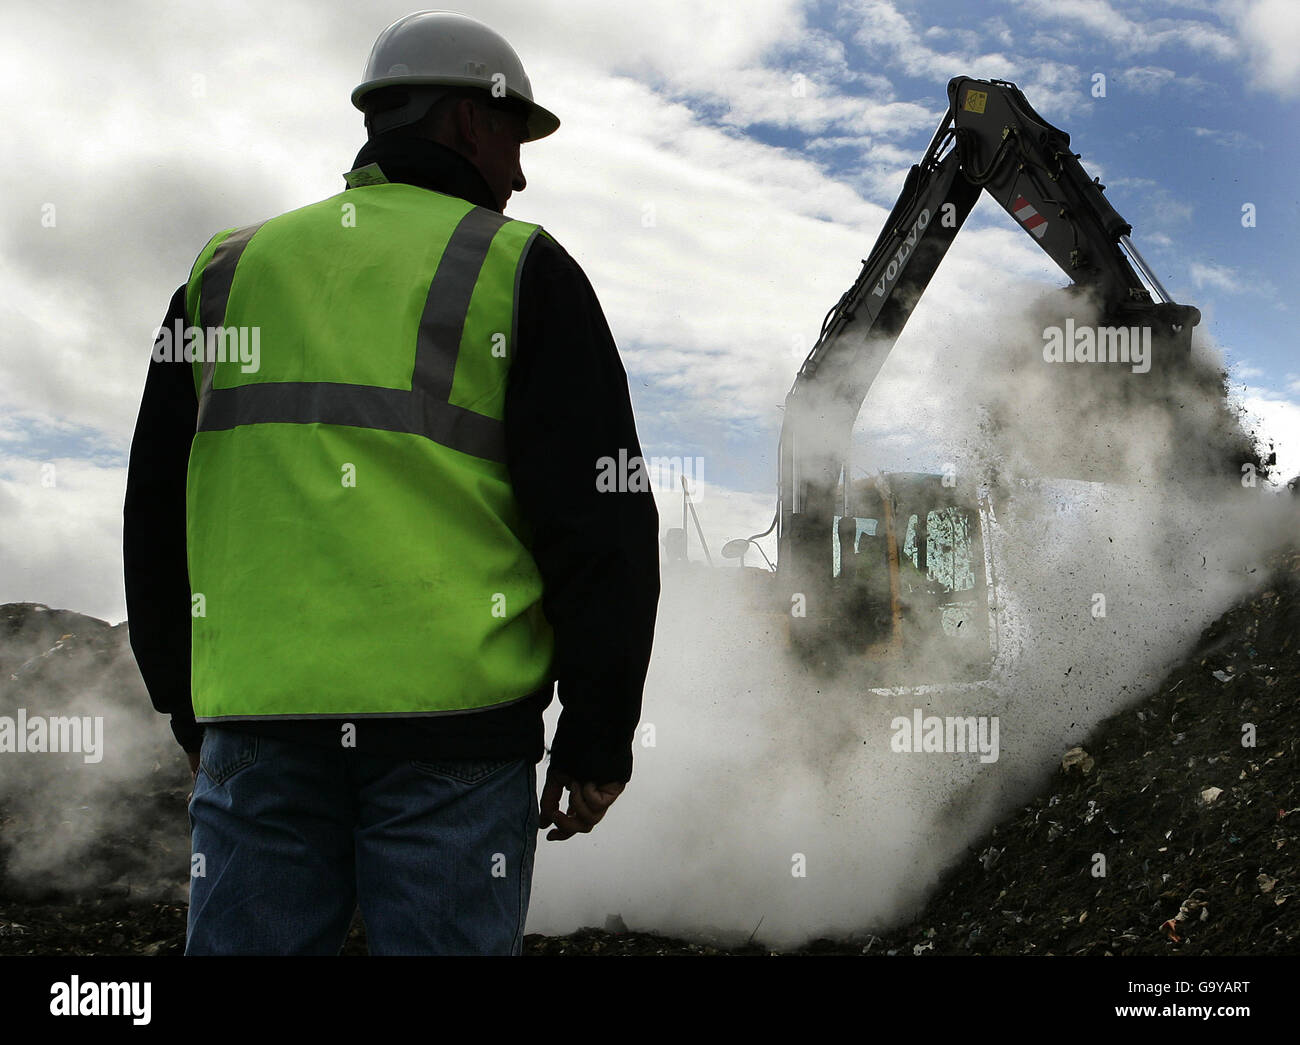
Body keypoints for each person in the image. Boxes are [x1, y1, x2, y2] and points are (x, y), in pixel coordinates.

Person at [122, 10, 660, 956]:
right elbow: (601, 519)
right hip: (454, 740)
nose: (521, 174)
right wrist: (598, 732)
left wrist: (184, 700)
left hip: (258, 729)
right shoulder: (521, 269)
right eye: (515, 139)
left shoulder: (227, 272)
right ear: (468, 121)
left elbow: (155, 507)